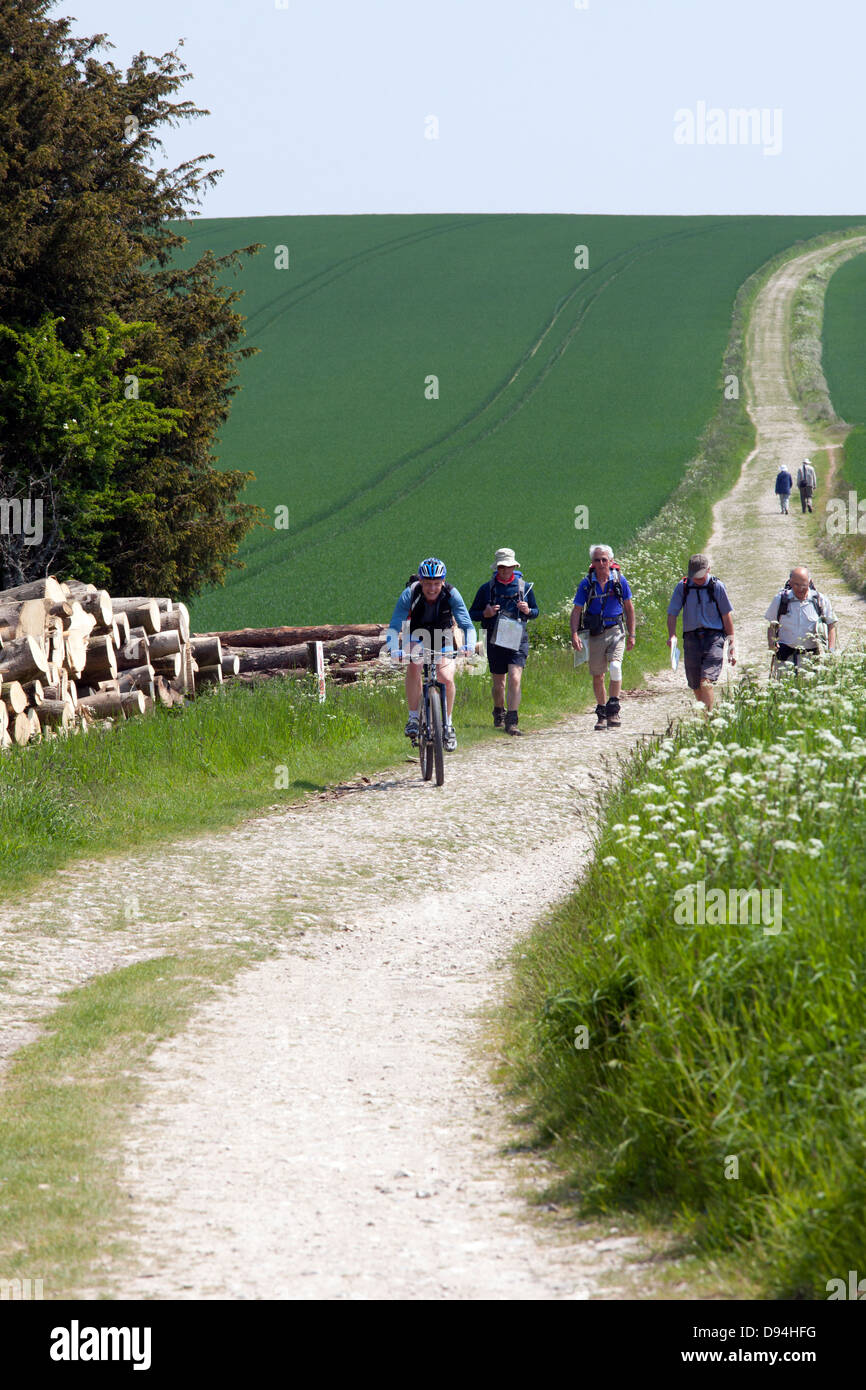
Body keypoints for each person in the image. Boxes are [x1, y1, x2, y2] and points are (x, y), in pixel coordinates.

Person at [387, 557, 476, 751]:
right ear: (420, 580)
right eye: (428, 583)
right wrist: (395, 649)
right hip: (416, 636)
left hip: (442, 636)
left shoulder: (452, 594)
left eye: (437, 583)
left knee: (445, 677)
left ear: (443, 582)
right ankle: (413, 718)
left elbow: (467, 625)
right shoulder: (410, 593)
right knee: (415, 664)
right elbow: (394, 626)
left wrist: (468, 646)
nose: (432, 588)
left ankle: (448, 725)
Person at [468, 547, 538, 736]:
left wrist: (527, 611)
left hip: (518, 639)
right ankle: (499, 711)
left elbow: (536, 611)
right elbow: (471, 613)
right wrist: (486, 613)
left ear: (514, 566)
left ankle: (512, 721)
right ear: (497, 568)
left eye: (508, 567)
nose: (505, 570)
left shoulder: (525, 587)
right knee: (499, 683)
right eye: (501, 567)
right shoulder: (486, 589)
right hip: (495, 639)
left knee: (515, 678)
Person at [571, 544, 636, 730]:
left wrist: (632, 634)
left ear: (611, 561)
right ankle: (601, 713)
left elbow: (629, 609)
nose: (601, 563)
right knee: (598, 675)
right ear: (592, 562)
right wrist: (574, 633)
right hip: (595, 633)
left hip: (616, 629)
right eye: (597, 560)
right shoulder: (586, 584)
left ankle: (613, 709)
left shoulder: (619, 581)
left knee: (615, 666)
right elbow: (576, 611)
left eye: (604, 560)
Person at [666, 553, 736, 713]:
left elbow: (727, 616)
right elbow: (672, 614)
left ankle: (709, 721)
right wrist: (672, 635)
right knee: (695, 684)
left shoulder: (717, 586)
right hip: (691, 639)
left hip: (714, 638)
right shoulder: (682, 586)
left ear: (708, 570)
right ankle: (706, 715)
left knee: (706, 681)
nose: (697, 580)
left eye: (700, 576)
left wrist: (731, 645)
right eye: (694, 576)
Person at [765, 566, 837, 672]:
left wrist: (831, 651)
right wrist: (772, 644)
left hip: (811, 658)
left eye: (804, 585)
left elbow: (831, 625)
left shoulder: (820, 601)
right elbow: (772, 626)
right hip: (784, 658)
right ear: (790, 582)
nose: (800, 589)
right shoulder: (780, 600)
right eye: (796, 584)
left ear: (810, 582)